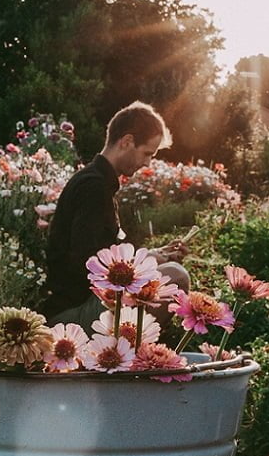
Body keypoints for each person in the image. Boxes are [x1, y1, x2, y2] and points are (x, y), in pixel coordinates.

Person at [41, 102, 187, 325]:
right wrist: (145, 262)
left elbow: (104, 254)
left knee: (167, 271)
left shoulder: (97, 182)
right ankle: (127, 355)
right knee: (175, 277)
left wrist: (152, 255)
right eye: (147, 153)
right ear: (127, 141)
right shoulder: (94, 188)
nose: (148, 162)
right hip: (71, 314)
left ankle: (131, 352)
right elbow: (88, 264)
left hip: (81, 303)